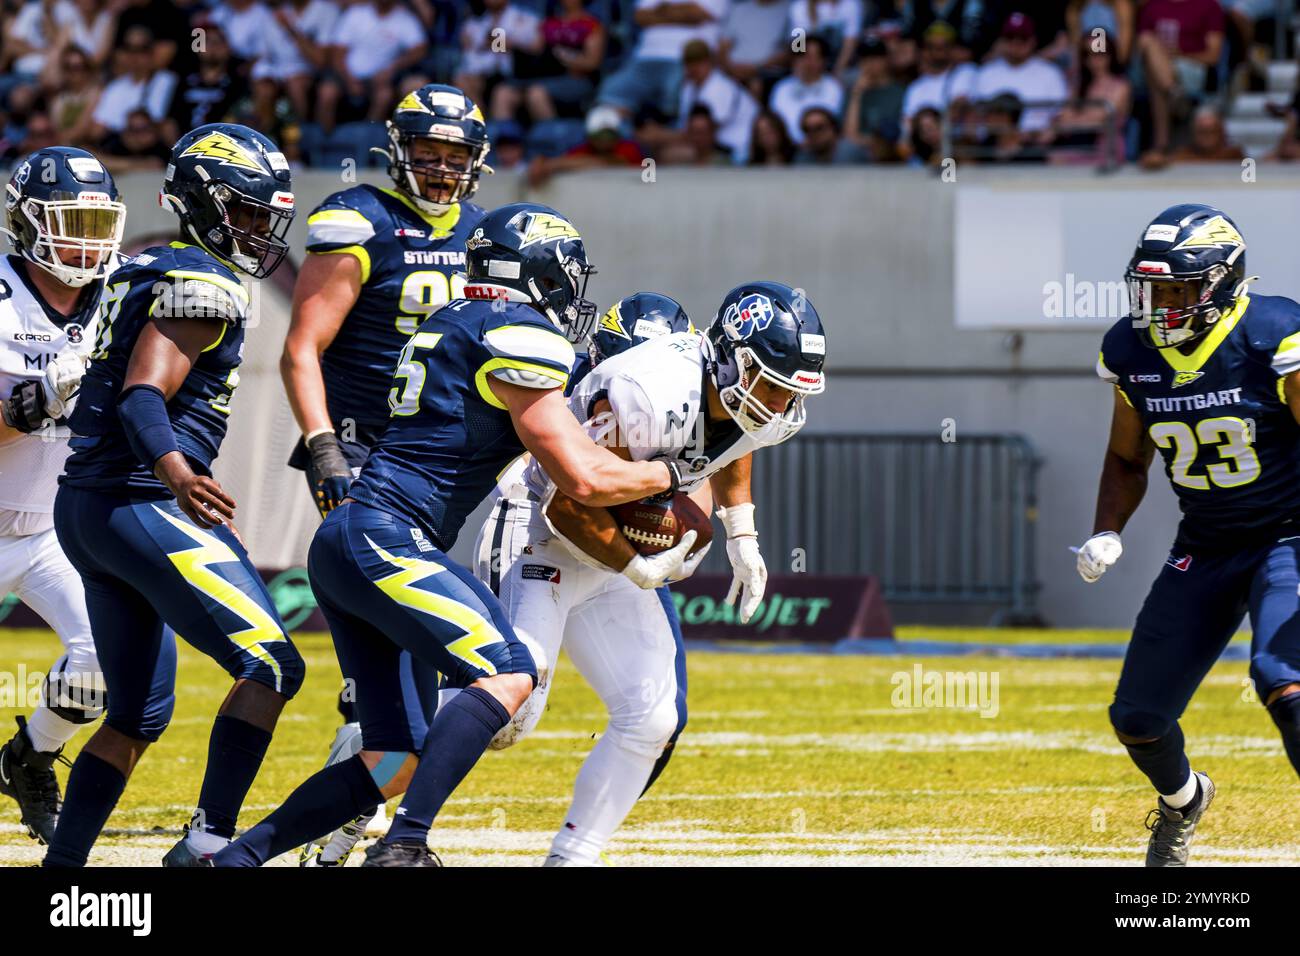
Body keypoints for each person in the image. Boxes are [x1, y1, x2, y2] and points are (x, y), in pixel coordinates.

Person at [213, 202, 693, 867]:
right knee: (509, 671)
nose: (571, 296)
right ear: (539, 277)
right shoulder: (519, 335)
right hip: (388, 535)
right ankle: (405, 843)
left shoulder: (448, 321)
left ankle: (232, 860)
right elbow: (580, 477)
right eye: (565, 279)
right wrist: (668, 474)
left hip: (350, 539)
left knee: (393, 756)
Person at [476, 283, 826, 865]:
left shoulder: (749, 400)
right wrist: (639, 566)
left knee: (653, 716)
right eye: (771, 382)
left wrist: (743, 534)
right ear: (732, 362)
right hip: (542, 528)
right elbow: (568, 503)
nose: (781, 401)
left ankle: (572, 857)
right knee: (506, 714)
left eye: (790, 388)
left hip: (609, 547)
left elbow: (736, 437)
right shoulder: (647, 393)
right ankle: (377, 749)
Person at [42, 123, 302, 868]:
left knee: (137, 714)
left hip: (90, 507)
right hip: (136, 499)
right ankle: (209, 843)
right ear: (201, 202)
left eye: (264, 215)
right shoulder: (204, 281)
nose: (258, 229)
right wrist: (177, 473)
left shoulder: (144, 265)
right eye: (246, 212)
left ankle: (61, 876)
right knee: (274, 665)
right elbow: (141, 397)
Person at [281, 83, 491, 866]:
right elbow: (302, 346)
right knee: (402, 635)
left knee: (414, 646)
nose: (440, 171)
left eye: (454, 157)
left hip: (438, 458)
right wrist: (324, 443)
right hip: (365, 451)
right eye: (428, 155)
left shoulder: (480, 233)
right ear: (399, 151)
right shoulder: (359, 220)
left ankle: (364, 776)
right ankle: (353, 806)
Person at [1079, 204, 1300, 865]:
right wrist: (1107, 531)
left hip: (1287, 536)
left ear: (1221, 284)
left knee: (1283, 679)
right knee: (1137, 718)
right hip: (1204, 545)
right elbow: (1127, 458)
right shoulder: (1131, 352)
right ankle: (1184, 802)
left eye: (1176, 290)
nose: (1160, 307)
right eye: (1151, 290)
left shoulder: (1271, 336)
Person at [0, 146, 123, 847]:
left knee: (101, 660)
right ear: (27, 221)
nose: (85, 238)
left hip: (50, 527)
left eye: (95, 221)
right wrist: (33, 402)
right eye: (69, 220)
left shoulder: (117, 302)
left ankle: (30, 757)